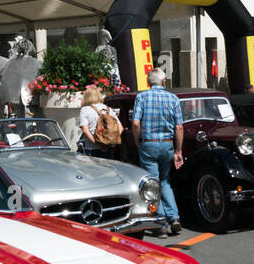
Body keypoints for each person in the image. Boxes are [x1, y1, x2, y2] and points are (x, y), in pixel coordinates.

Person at [131, 69, 184, 235]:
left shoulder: (142, 97)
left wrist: (137, 141)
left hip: (149, 144)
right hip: (167, 144)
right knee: (165, 181)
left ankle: (161, 224)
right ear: (164, 81)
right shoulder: (173, 98)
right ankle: (174, 217)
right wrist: (178, 150)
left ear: (149, 82)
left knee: (152, 184)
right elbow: (179, 127)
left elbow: (135, 123)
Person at [77, 86, 120, 157]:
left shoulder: (85, 109)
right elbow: (120, 128)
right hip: (109, 148)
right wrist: (112, 141)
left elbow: (85, 130)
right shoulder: (108, 109)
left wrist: (99, 145)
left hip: (92, 148)